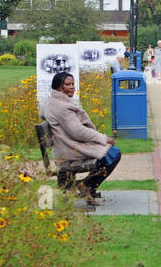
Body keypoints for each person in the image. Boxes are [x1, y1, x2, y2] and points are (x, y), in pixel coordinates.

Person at [41, 71, 121, 203]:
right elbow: (78, 131)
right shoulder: (61, 107)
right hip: (70, 151)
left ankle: (88, 186)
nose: (72, 87)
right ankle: (87, 185)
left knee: (109, 153)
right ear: (59, 87)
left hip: (65, 147)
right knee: (114, 153)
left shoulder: (52, 102)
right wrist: (103, 138)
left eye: (73, 84)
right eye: (68, 84)